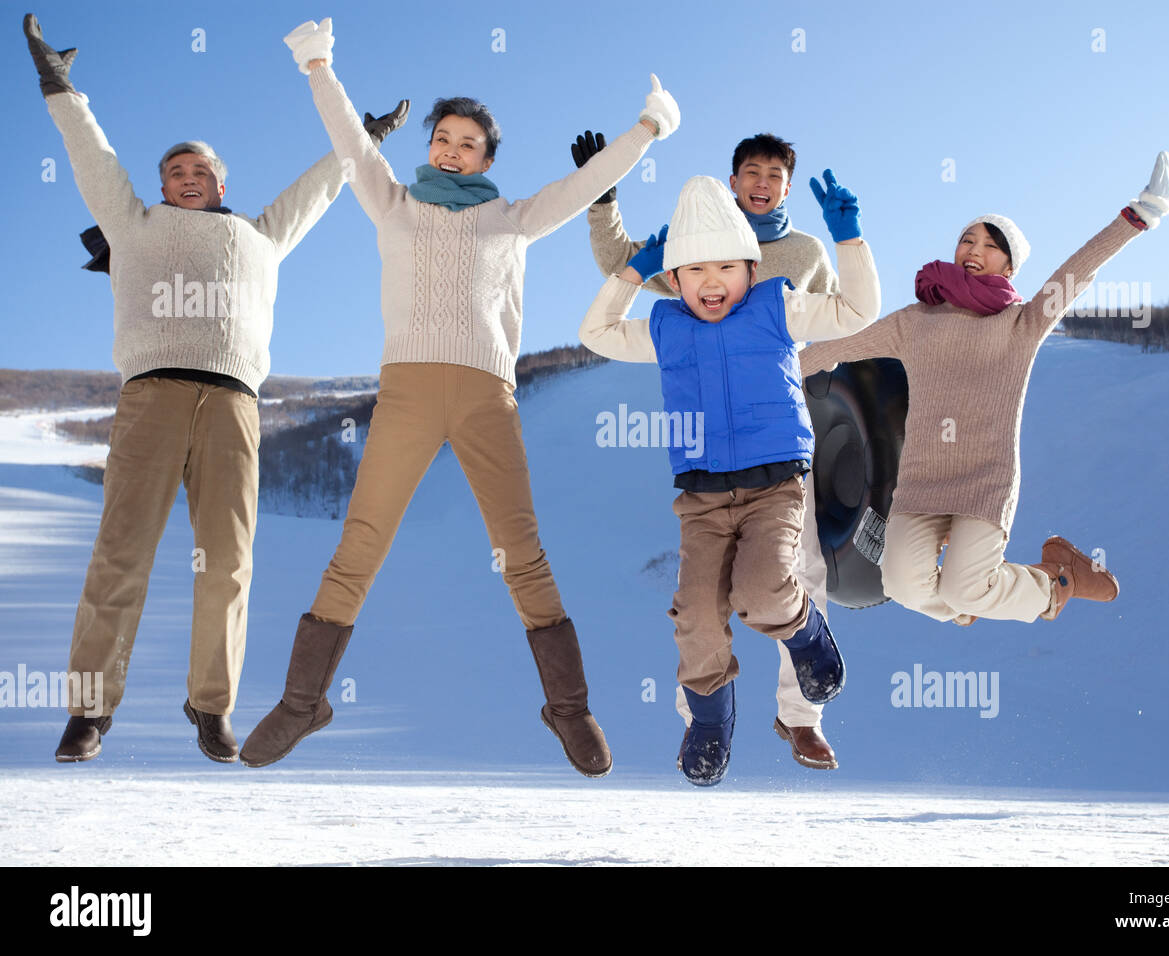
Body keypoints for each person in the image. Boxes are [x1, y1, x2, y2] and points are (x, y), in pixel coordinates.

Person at [240, 19, 680, 778]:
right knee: (359, 545)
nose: (449, 148)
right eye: (442, 137)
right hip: (407, 394)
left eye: (467, 141)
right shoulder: (394, 204)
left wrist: (647, 127)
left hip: (485, 399)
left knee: (522, 554)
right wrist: (318, 66)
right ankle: (304, 701)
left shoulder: (510, 218)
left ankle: (568, 708)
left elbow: (582, 188)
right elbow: (351, 142)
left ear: (488, 156)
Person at [22, 13, 385, 763]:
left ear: (224, 183)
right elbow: (91, 157)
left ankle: (211, 706)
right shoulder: (134, 224)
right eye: (176, 173)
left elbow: (320, 188)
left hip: (231, 405)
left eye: (200, 171)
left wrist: (364, 141)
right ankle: (90, 711)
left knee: (228, 561)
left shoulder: (259, 235)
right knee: (121, 552)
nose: (188, 179)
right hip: (151, 397)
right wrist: (61, 87)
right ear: (161, 188)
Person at [579, 174, 880, 785]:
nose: (710, 282)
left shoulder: (777, 307)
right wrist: (632, 273)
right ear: (674, 280)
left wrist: (849, 241)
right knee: (695, 615)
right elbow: (597, 333)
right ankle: (711, 716)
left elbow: (857, 310)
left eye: (724, 267)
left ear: (750, 267)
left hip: (775, 488)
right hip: (703, 499)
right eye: (691, 271)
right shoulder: (667, 327)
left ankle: (805, 634)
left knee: (766, 589)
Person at [799, 153, 1169, 626]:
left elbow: (1075, 274)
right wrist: (773, 370)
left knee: (965, 588)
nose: (973, 249)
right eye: (966, 240)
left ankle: (1058, 581)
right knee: (900, 585)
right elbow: (841, 346)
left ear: (1009, 265)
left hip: (984, 479)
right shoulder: (915, 322)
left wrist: (1136, 218)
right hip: (920, 483)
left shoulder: (1021, 323)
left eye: (989, 244)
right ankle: (969, 603)